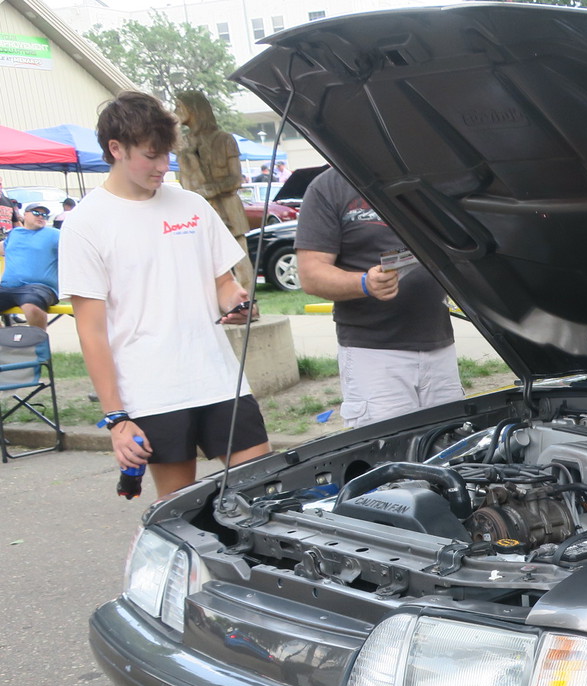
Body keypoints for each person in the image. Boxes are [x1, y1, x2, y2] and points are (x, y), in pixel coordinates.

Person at [59, 90, 271, 499]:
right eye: (151, 155)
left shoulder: (191, 204)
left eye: (166, 155)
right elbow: (91, 332)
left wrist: (236, 301)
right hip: (152, 391)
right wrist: (117, 418)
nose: (162, 166)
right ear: (116, 148)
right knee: (180, 515)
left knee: (263, 494)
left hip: (219, 379)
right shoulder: (86, 223)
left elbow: (223, 282)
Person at [295, 167, 463, 427]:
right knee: (391, 456)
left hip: (440, 348)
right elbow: (311, 273)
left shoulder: (425, 176)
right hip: (374, 355)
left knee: (450, 450)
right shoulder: (329, 186)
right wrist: (364, 283)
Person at [175, 90, 254, 293]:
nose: (175, 111)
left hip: (228, 209)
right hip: (201, 213)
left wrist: (212, 188)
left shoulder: (224, 140)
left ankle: (247, 304)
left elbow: (236, 179)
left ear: (193, 109)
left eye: (179, 106)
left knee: (240, 258)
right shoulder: (183, 144)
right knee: (207, 260)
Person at [0, 202, 61, 330]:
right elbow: (3, 248)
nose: (41, 217)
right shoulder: (15, 233)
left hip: (39, 288)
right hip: (7, 287)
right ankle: (5, 342)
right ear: (25, 215)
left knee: (31, 306)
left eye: (44, 215)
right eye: (36, 213)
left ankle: (38, 345)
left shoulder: (54, 235)